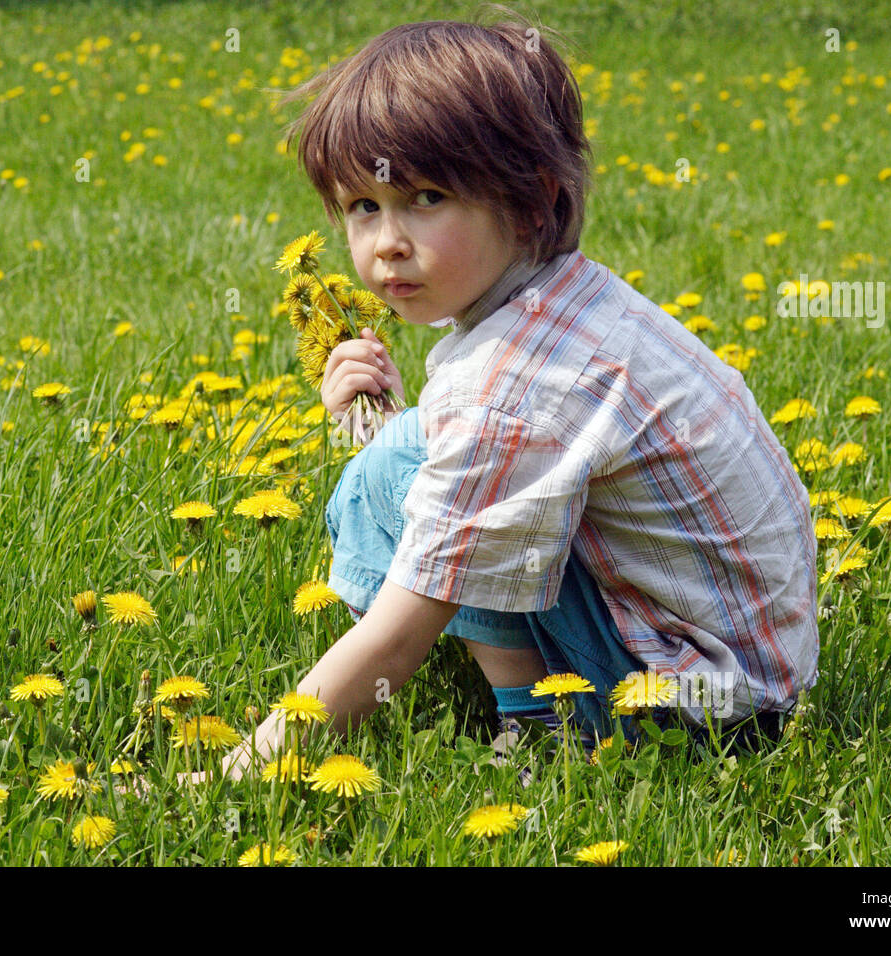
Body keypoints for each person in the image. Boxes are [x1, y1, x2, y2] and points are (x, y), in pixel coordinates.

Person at [210, 13, 818, 780]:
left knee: (401, 470)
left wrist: (243, 767)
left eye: (426, 197)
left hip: (685, 714)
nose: (386, 241)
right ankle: (536, 694)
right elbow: (474, 459)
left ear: (531, 201)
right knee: (405, 455)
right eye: (363, 207)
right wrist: (379, 425)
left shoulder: (512, 387)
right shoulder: (571, 307)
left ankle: (541, 725)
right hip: (749, 677)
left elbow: (400, 629)